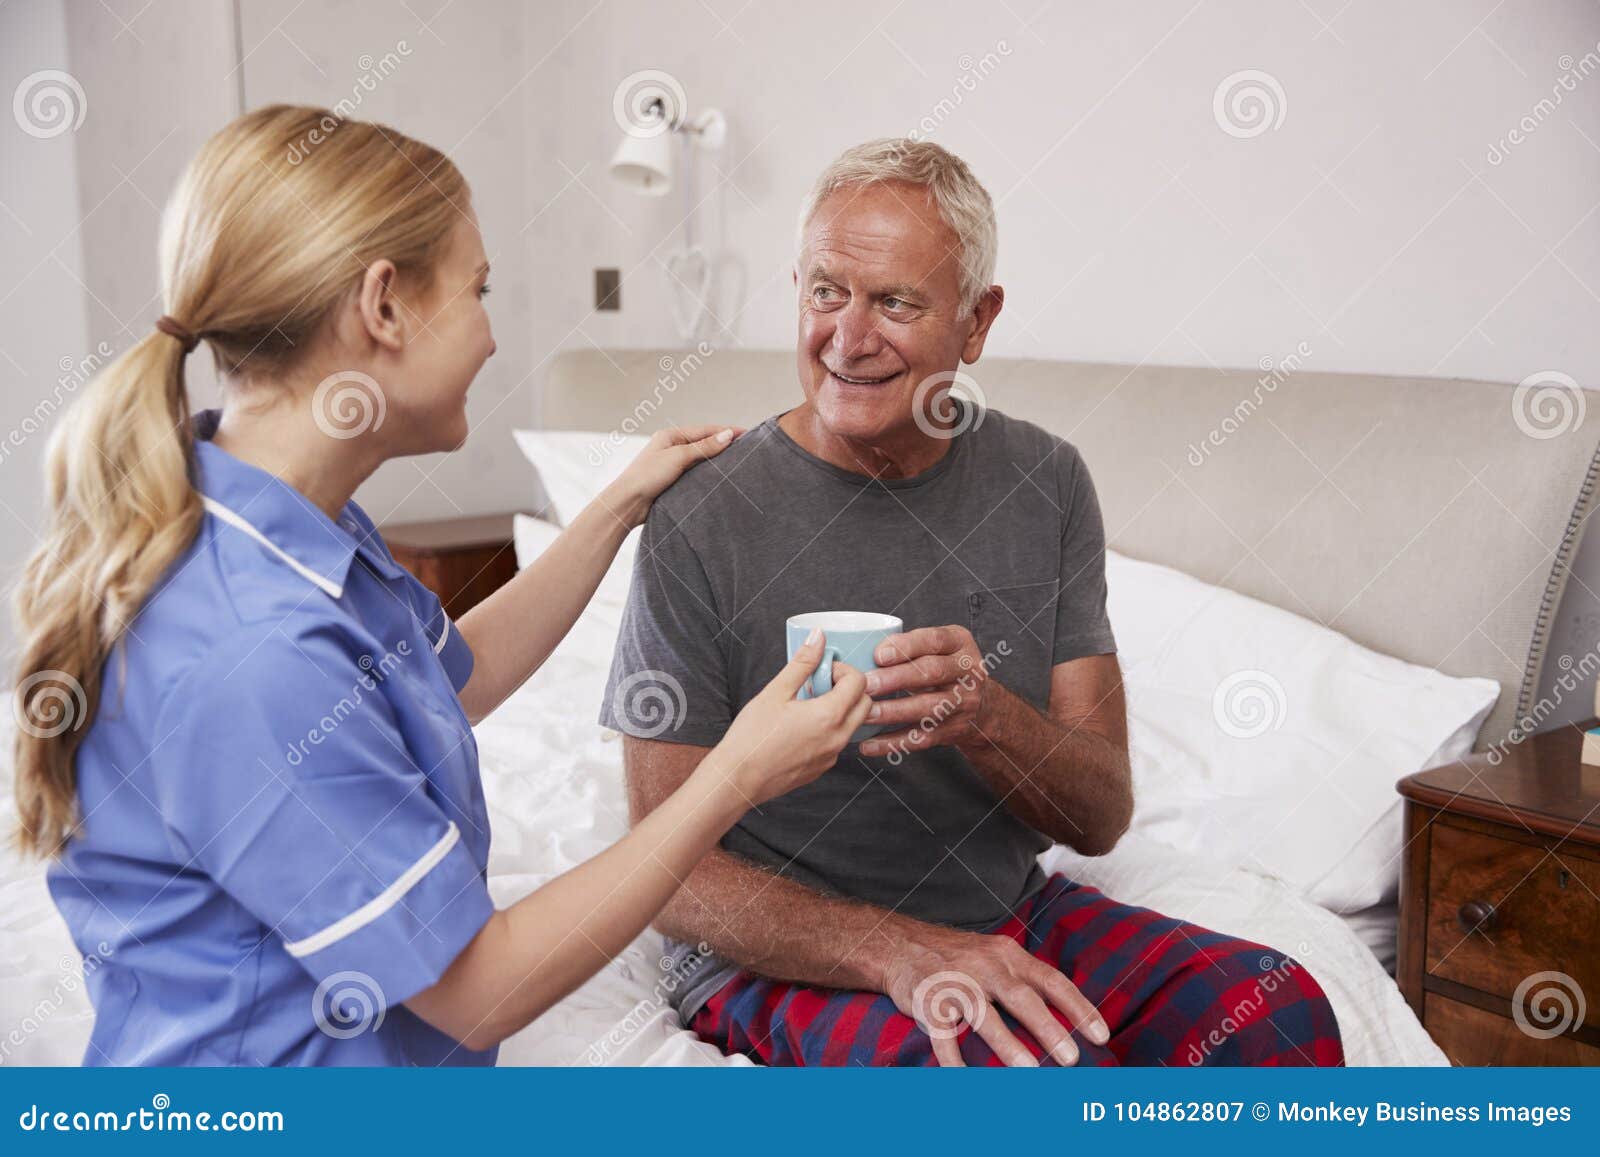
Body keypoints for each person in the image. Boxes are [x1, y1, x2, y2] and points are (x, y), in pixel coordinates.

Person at [9, 104, 871, 1066]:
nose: (495, 337)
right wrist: (735, 776)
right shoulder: (254, 647)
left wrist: (613, 508)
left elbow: (446, 676)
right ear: (383, 306)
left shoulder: (284, 520)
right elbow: (480, 992)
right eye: (480, 289)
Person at [603, 138, 1345, 1067]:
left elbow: (1100, 814)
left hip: (1004, 915)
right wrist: (898, 950)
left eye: (896, 302)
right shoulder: (704, 506)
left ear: (977, 320)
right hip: (776, 957)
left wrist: (988, 717)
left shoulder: (1046, 482)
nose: (847, 336)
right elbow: (663, 872)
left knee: (1279, 1008)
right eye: (825, 291)